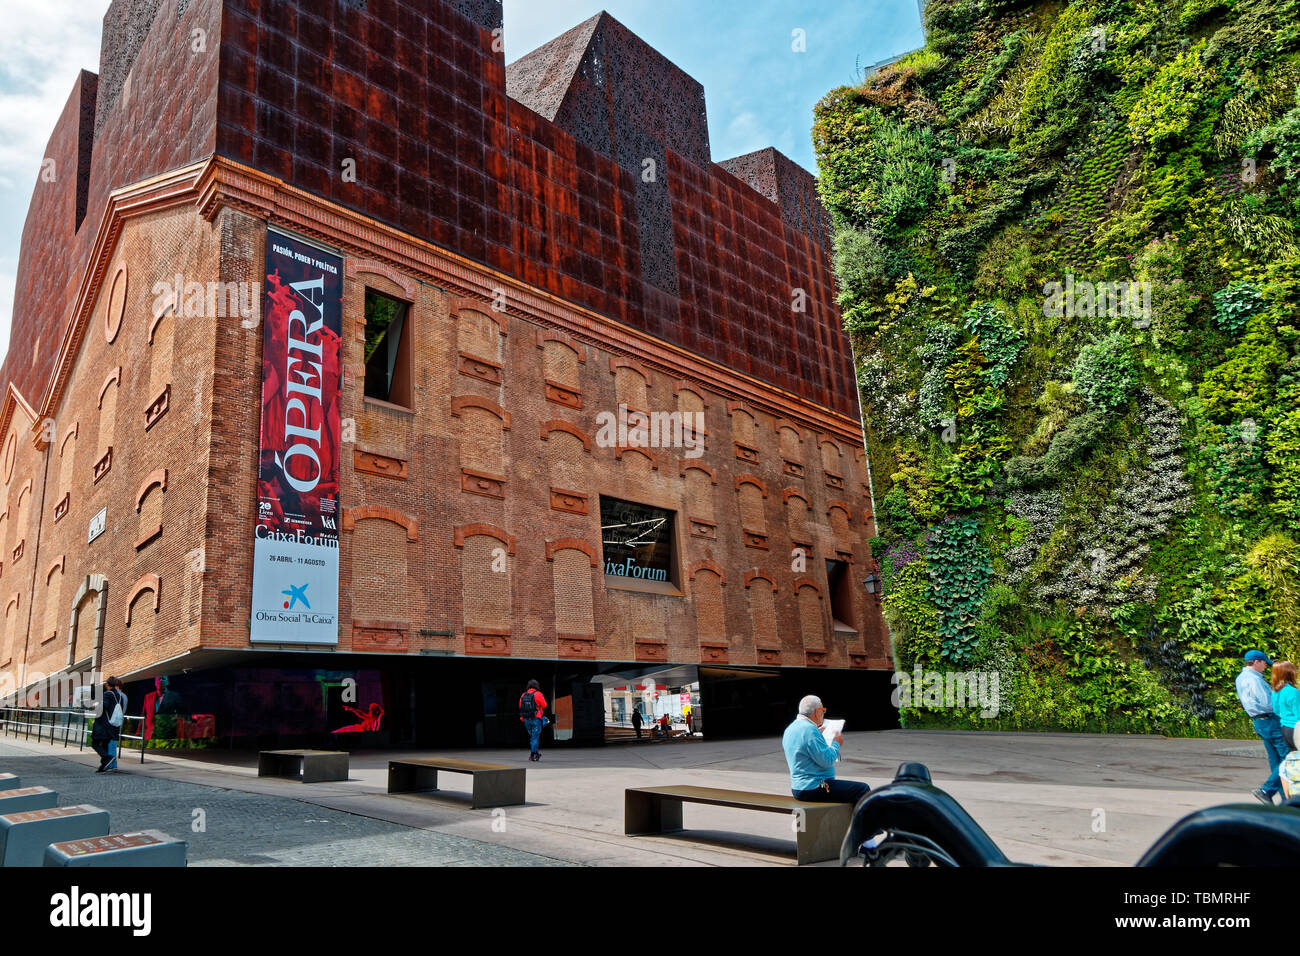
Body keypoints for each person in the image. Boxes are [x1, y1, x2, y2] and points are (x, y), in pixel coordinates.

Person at [782, 695, 869, 804]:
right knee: (862, 789)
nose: (823, 713)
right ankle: (863, 821)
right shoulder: (810, 730)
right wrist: (836, 743)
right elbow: (827, 761)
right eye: (823, 710)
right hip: (814, 787)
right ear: (817, 712)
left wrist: (818, 735)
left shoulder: (791, 728)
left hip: (798, 787)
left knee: (849, 791)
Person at [1235, 650, 1290, 804]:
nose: (1266, 666)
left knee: (1275, 761)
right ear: (1257, 661)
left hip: (1259, 722)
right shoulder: (1254, 680)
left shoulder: (1241, 678)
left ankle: (1284, 799)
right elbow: (1267, 703)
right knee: (1287, 758)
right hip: (1270, 720)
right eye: (1265, 663)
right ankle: (1266, 790)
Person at [91, 677, 128, 773]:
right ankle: (104, 766)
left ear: (108, 685)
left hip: (104, 725)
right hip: (113, 725)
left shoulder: (108, 694)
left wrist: (95, 706)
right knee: (104, 744)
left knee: (94, 743)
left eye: (105, 684)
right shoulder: (120, 696)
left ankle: (108, 758)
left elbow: (103, 707)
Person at [1272, 661, 1300, 751]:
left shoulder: (1275, 691)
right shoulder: (1293, 691)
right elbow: (1298, 714)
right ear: (1290, 673)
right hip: (1296, 729)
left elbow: (1276, 710)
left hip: (1285, 728)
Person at [519, 679, 547, 762]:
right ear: (536, 685)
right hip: (536, 718)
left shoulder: (523, 695)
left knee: (532, 737)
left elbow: (520, 706)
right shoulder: (538, 694)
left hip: (526, 718)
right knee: (535, 737)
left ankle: (536, 753)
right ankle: (532, 755)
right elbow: (544, 705)